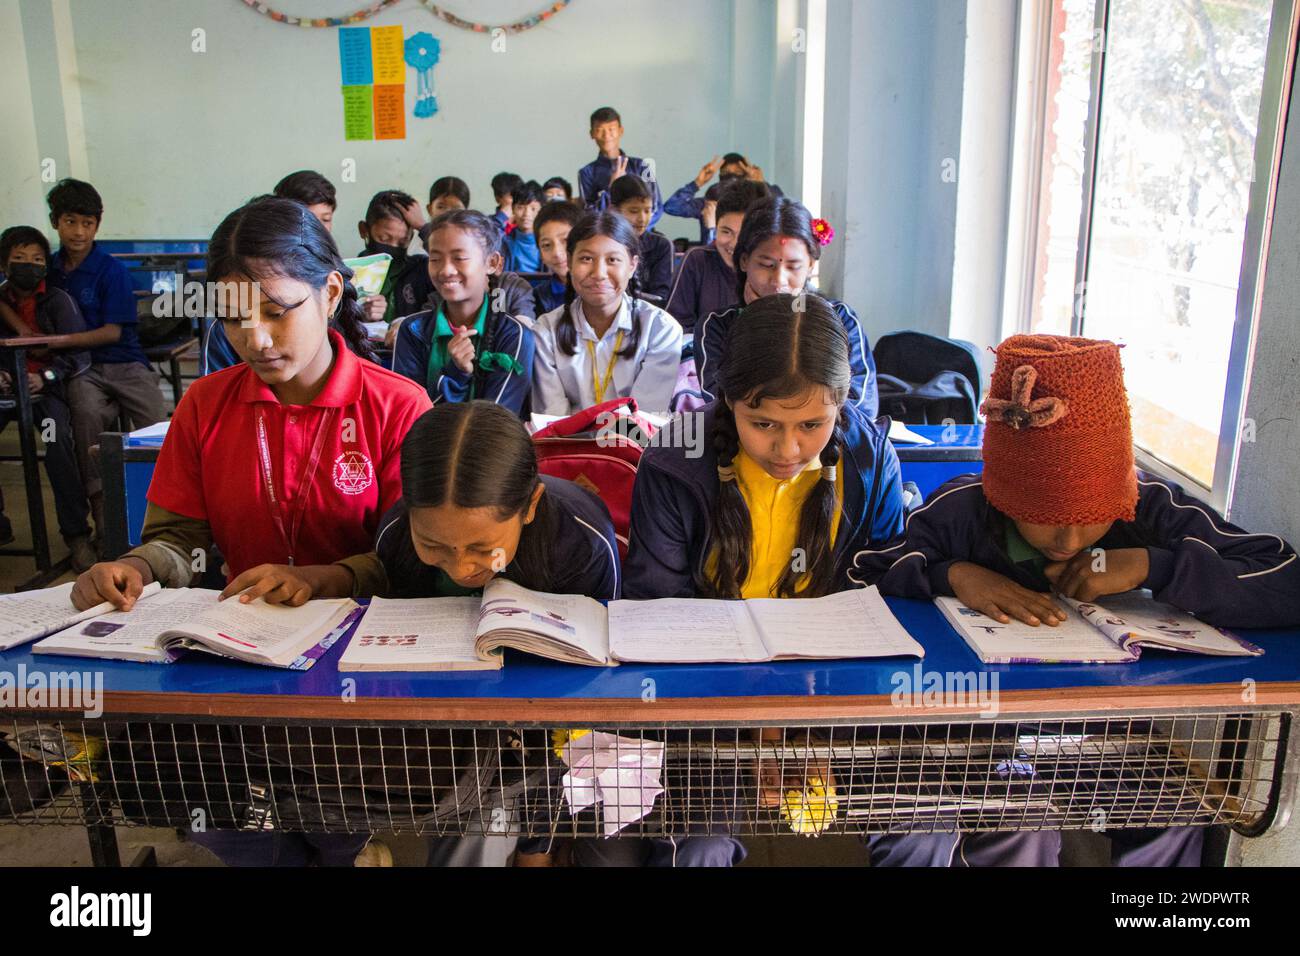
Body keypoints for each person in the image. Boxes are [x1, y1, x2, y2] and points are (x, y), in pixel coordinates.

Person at [69, 196, 431, 866]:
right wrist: (140, 569)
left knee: (335, 826)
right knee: (194, 801)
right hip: (238, 666)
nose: (254, 338)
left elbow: (415, 559)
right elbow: (181, 537)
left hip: (356, 684)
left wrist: (327, 578)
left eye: (275, 309)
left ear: (328, 291)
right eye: (233, 317)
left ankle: (346, 845)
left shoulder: (397, 406)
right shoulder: (206, 405)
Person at [851, 333, 1300, 866]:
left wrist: (1155, 565)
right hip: (976, 732)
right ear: (1003, 496)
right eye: (1041, 518)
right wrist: (955, 574)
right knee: (1024, 826)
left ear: (1120, 494)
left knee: (1172, 819)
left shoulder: (1149, 511)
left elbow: (1284, 582)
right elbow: (866, 574)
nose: (1067, 540)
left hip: (1106, 733)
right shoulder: (963, 511)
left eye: (1090, 519)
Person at [604, 294, 905, 866]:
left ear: (841, 403)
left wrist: (813, 729)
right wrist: (758, 732)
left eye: (811, 425)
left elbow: (881, 607)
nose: (787, 449)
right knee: (702, 844)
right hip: (704, 706)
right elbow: (659, 618)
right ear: (728, 401)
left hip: (836, 700)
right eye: (762, 423)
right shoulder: (674, 462)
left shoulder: (870, 460)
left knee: (925, 830)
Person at [44, 178, 166, 539]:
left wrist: (58, 340)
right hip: (82, 369)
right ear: (55, 222)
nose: (79, 231)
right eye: (70, 221)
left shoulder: (111, 270)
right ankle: (106, 523)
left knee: (157, 428)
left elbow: (113, 332)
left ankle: (163, 517)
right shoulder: (48, 271)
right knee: (85, 420)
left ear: (98, 224)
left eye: (87, 223)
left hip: (126, 364)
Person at [695, 196, 877, 417]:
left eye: (794, 266)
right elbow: (723, 405)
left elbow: (861, 408)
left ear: (810, 265)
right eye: (766, 265)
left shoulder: (840, 319)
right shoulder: (716, 326)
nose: (779, 280)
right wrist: (761, 323)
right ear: (744, 261)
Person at [0, 226, 96, 569]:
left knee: (57, 442)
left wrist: (44, 377)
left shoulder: (58, 300)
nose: (29, 265)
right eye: (19, 259)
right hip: (8, 393)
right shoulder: (1, 303)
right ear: (4, 263)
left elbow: (79, 356)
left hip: (47, 391)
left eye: (37, 259)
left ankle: (76, 535)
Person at [531, 212, 681, 417]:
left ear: (632, 266)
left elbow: (646, 418)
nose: (599, 273)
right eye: (586, 258)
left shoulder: (661, 329)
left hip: (636, 445)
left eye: (612, 259)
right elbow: (552, 419)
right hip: (566, 446)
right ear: (570, 262)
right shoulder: (546, 330)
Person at [392, 210, 535, 415]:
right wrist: (456, 374)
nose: (445, 270)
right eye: (435, 259)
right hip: (423, 445)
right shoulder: (413, 330)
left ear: (492, 263)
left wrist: (455, 377)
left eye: (459, 258)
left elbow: (496, 421)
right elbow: (407, 414)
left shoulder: (513, 334)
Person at [577, 107, 663, 227]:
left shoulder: (642, 166)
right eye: (600, 130)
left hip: (642, 237)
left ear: (621, 131)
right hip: (607, 239)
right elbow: (589, 216)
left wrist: (634, 231)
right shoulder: (586, 173)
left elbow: (657, 207)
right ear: (592, 134)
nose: (606, 135)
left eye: (611, 129)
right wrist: (610, 189)